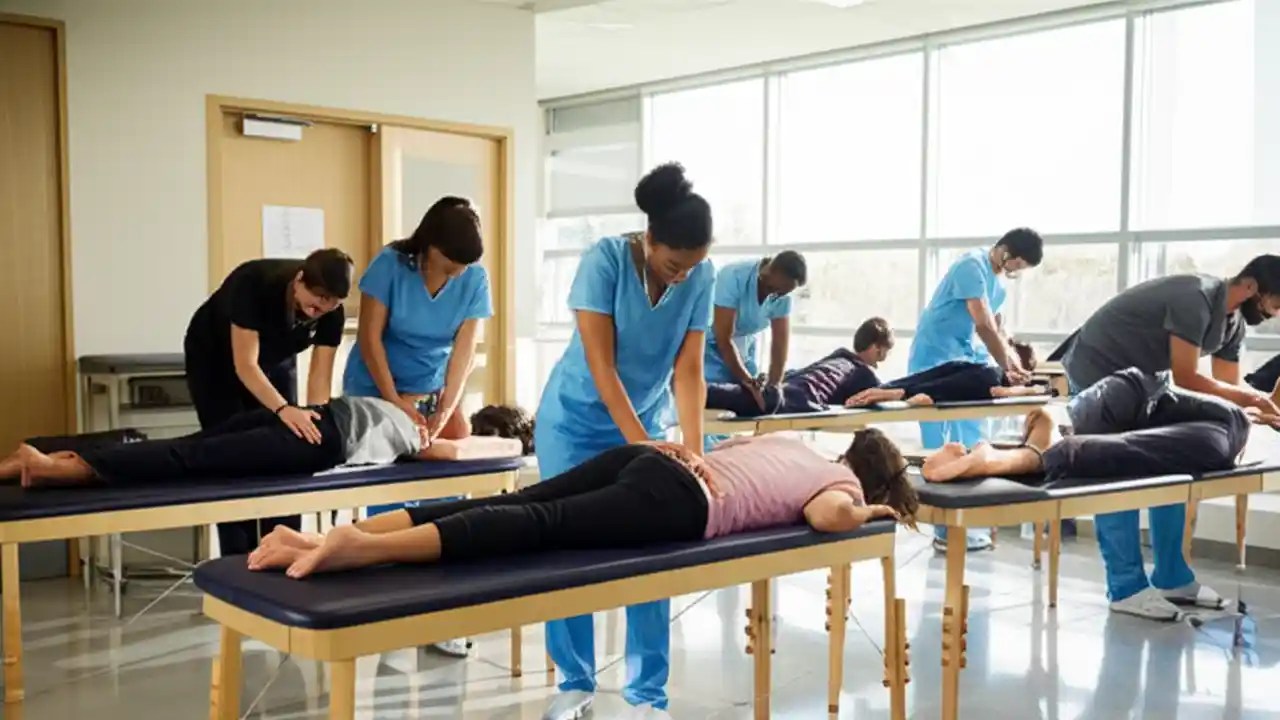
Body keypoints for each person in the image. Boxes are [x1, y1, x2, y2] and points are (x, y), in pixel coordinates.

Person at [244, 430, 915, 583]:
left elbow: (722, 446)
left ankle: (326, 537)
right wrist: (869, 514)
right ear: (875, 483)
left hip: (650, 457)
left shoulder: (792, 440)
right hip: (680, 501)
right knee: (541, 525)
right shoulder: (844, 489)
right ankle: (361, 548)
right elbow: (826, 520)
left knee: (526, 500)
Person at [533, 162, 714, 719]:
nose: (681, 275)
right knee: (568, 548)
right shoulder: (605, 261)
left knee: (652, 547)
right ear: (649, 238)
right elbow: (601, 365)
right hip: (574, 423)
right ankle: (574, 682)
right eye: (672, 263)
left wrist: (694, 451)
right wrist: (643, 445)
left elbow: (689, 371)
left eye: (693, 266)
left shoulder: (700, 276)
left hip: (645, 424)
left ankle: (647, 695)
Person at [920, 367, 1272, 620]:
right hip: (1134, 401)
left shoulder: (1224, 425)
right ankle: (1018, 455)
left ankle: (1172, 577)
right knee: (1124, 458)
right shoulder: (1227, 432)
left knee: (1163, 469)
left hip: (1141, 398)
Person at [1052, 255, 1280, 619]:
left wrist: (1259, 410)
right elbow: (1188, 376)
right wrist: (1253, 400)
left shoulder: (1233, 325)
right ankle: (1125, 587)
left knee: (1171, 462)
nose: (1275, 313)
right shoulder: (1197, 296)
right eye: (1276, 303)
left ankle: (1172, 577)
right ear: (1252, 287)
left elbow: (1228, 390)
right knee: (1116, 470)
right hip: (1098, 367)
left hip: (1145, 382)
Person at [342, 195, 493, 657]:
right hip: (376, 382)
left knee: (446, 484)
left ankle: (438, 610)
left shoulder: (473, 278)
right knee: (387, 488)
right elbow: (369, 338)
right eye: (450, 264)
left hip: (431, 389)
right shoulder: (391, 264)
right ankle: (386, 606)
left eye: (464, 267)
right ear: (428, 247)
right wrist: (393, 403)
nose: (456, 274)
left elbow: (465, 352)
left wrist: (446, 409)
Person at [184, 248, 354, 556]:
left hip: (275, 358)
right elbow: (245, 365)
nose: (320, 309)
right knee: (231, 452)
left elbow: (319, 376)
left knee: (289, 446)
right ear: (299, 280)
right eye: (316, 299)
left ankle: (281, 551)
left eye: (331, 304)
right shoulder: (253, 283)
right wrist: (283, 409)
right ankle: (238, 558)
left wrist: (316, 420)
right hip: (215, 361)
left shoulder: (330, 311)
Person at [1, 401, 528, 489]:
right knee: (187, 455)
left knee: (186, 451)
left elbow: (459, 450)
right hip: (313, 431)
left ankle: (34, 464)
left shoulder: (417, 428)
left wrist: (506, 446)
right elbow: (459, 449)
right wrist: (510, 446)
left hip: (310, 424)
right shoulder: (419, 422)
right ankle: (57, 470)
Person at [910, 227, 1043, 552]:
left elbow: (999, 328)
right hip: (935, 357)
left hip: (965, 359)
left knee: (972, 439)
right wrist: (1007, 367)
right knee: (940, 445)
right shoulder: (971, 266)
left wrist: (1014, 364)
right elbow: (982, 323)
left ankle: (969, 525)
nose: (1017, 272)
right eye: (1019, 265)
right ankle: (945, 530)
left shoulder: (997, 281)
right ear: (1007, 252)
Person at [706, 316, 893, 418]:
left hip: (785, 387)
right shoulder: (864, 373)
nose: (884, 357)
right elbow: (887, 393)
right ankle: (686, 388)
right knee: (721, 396)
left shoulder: (839, 356)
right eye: (885, 350)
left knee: (724, 394)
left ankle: (687, 388)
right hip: (793, 398)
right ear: (876, 348)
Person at [704, 252, 807, 410]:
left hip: (743, 345)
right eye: (772, 289)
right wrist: (749, 382)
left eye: (781, 293)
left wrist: (774, 385)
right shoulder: (733, 277)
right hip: (710, 345)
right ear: (765, 272)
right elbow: (723, 338)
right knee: (712, 405)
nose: (775, 295)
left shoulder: (783, 295)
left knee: (748, 403)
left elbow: (780, 344)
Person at [844, 340, 1046, 407]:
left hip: (969, 368)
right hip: (985, 379)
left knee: (917, 380)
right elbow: (1000, 393)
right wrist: (1035, 390)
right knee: (928, 387)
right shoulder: (1000, 377)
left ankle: (887, 390)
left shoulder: (990, 366)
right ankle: (899, 393)